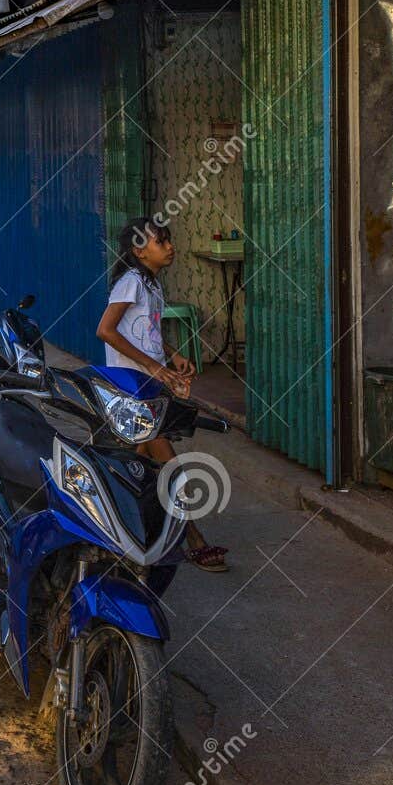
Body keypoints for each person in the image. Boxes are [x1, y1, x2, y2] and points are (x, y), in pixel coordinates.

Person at [97, 217, 228, 573]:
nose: (170, 247)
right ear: (139, 251)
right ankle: (194, 539)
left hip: (147, 389)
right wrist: (156, 368)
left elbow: (146, 331)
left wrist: (172, 355)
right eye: (162, 241)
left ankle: (112, 529)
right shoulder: (130, 283)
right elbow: (106, 331)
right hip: (131, 388)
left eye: (169, 240)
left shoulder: (151, 285)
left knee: (132, 467)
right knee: (170, 470)